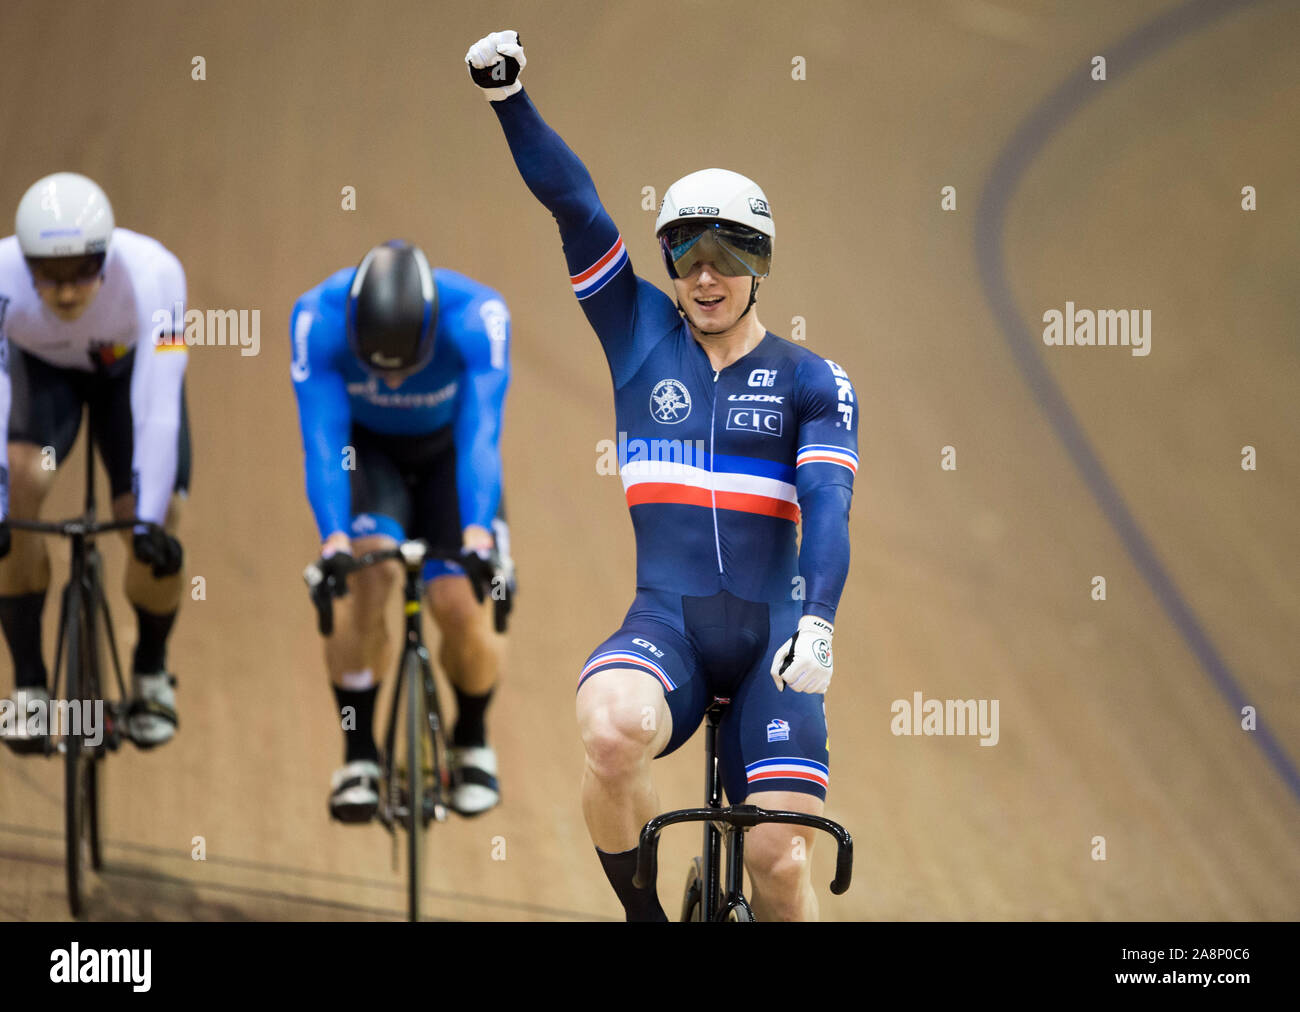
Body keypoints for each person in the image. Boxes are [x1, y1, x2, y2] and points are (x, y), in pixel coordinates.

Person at [466, 31, 859, 921]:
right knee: (611, 733)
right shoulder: (638, 334)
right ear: (668, 265)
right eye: (686, 254)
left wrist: (821, 626)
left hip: (778, 642)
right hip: (667, 627)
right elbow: (577, 210)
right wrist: (509, 100)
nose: (707, 274)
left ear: (761, 265)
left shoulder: (812, 380)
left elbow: (829, 503)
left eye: (729, 255)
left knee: (781, 859)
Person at [291, 239, 514, 822]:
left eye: (405, 369)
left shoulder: (478, 317)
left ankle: (471, 739)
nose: (390, 384)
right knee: (367, 578)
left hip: (449, 457)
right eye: (376, 370)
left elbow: (481, 436)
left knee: (461, 599)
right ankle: (359, 754)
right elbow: (323, 438)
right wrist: (334, 541)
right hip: (367, 457)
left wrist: (477, 540)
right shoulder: (316, 318)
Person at [0, 172, 190, 752]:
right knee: (24, 484)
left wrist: (150, 515)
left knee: (152, 521)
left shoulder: (155, 272)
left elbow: (159, 399)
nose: (64, 291)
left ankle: (151, 672)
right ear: (25, 261)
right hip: (42, 374)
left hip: (127, 376)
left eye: (82, 269)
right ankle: (30, 685)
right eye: (49, 274)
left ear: (106, 256)